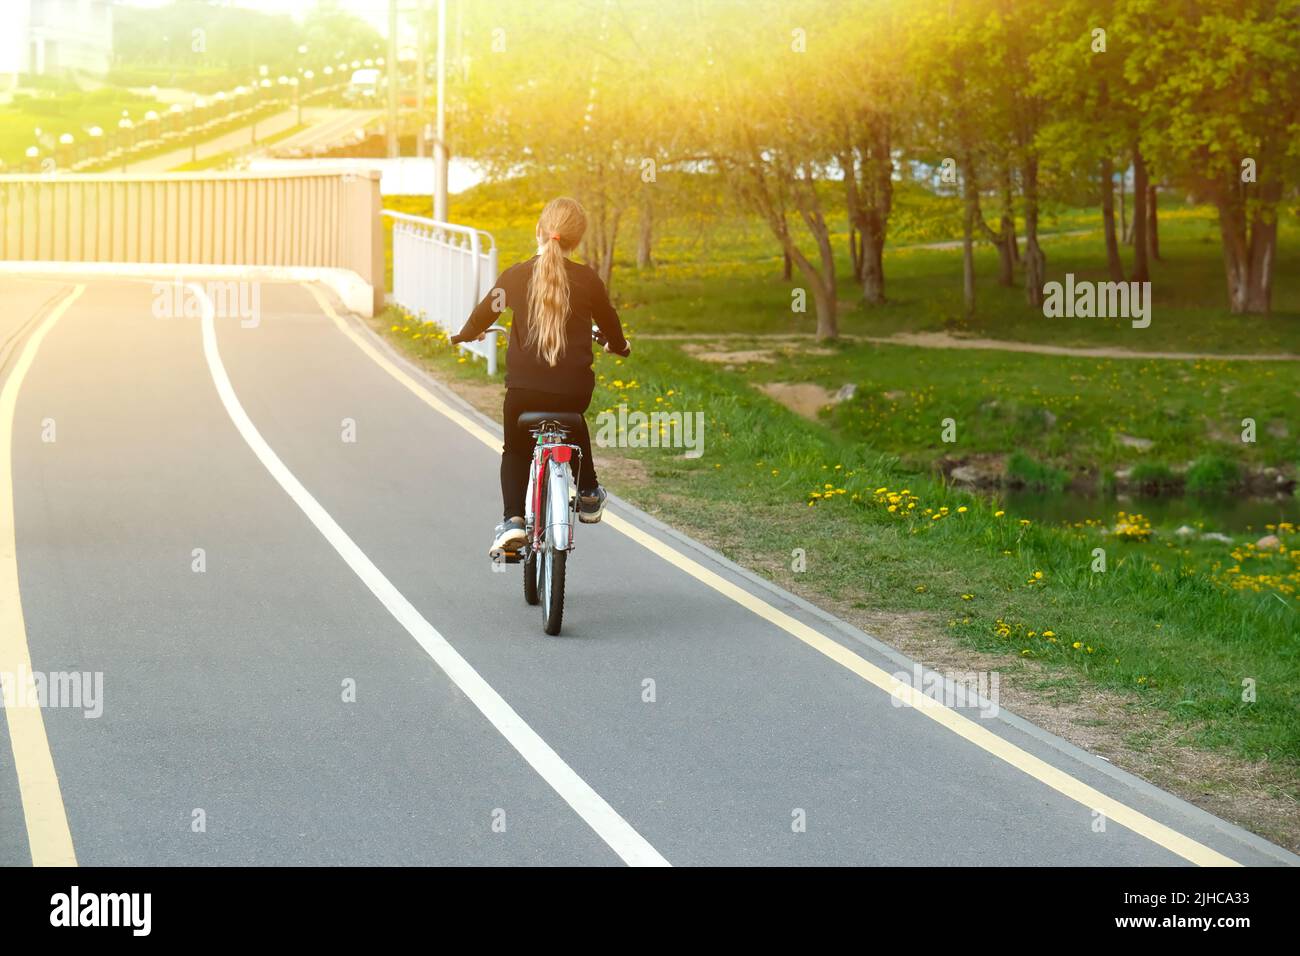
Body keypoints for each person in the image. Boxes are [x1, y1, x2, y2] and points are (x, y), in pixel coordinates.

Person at [451, 197, 630, 558]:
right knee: (574, 420)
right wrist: (619, 345)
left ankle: (514, 521)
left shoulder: (515, 277)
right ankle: (589, 491)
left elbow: (485, 313)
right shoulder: (588, 280)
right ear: (576, 241)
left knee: (516, 449)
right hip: (572, 393)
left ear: (539, 230)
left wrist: (467, 334)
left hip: (523, 393)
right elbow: (611, 325)